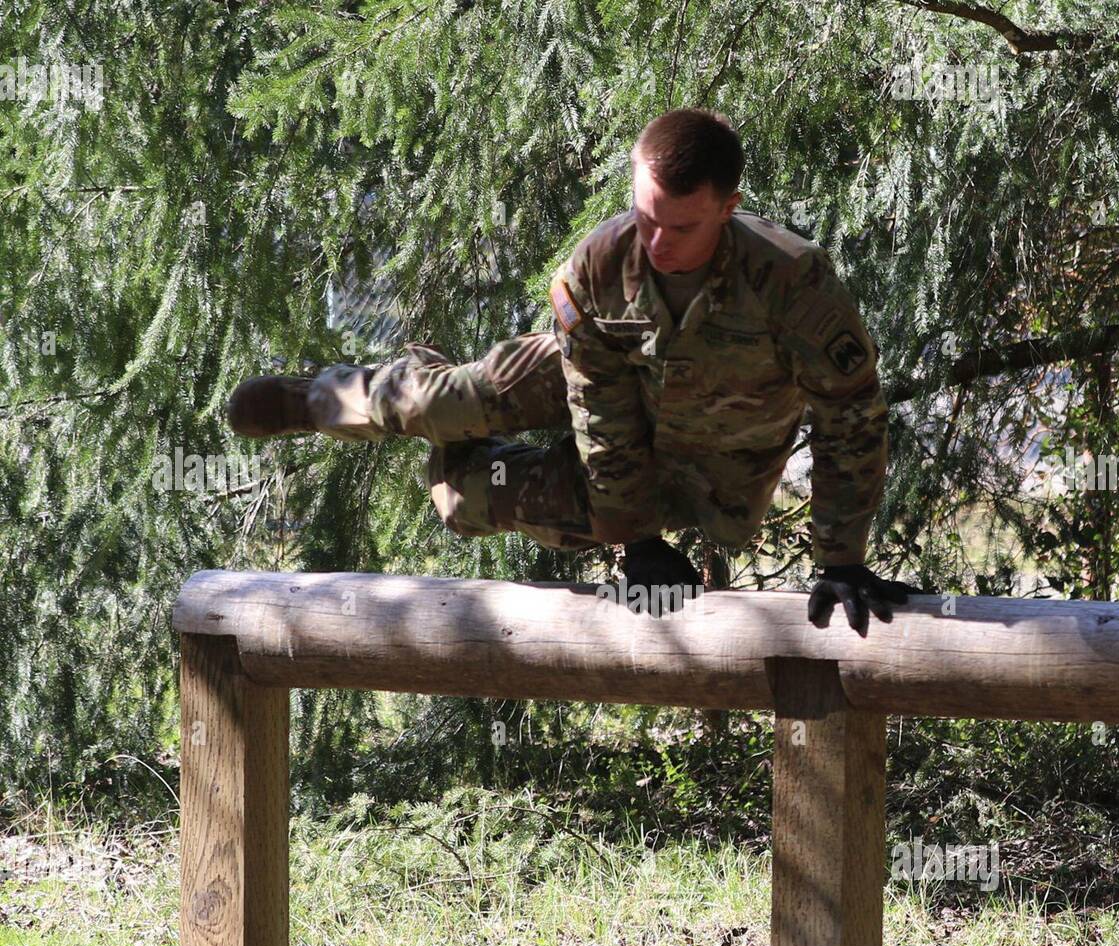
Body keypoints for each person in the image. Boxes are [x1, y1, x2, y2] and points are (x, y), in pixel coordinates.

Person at [227, 108, 920, 632]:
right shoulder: (598, 264)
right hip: (595, 384)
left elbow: (850, 418)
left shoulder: (793, 282)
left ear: (728, 209)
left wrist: (841, 558)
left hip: (705, 459)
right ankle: (319, 398)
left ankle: (458, 462)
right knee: (443, 402)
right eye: (645, 217)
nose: (656, 242)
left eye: (680, 229)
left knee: (463, 499)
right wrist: (636, 538)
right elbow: (599, 406)